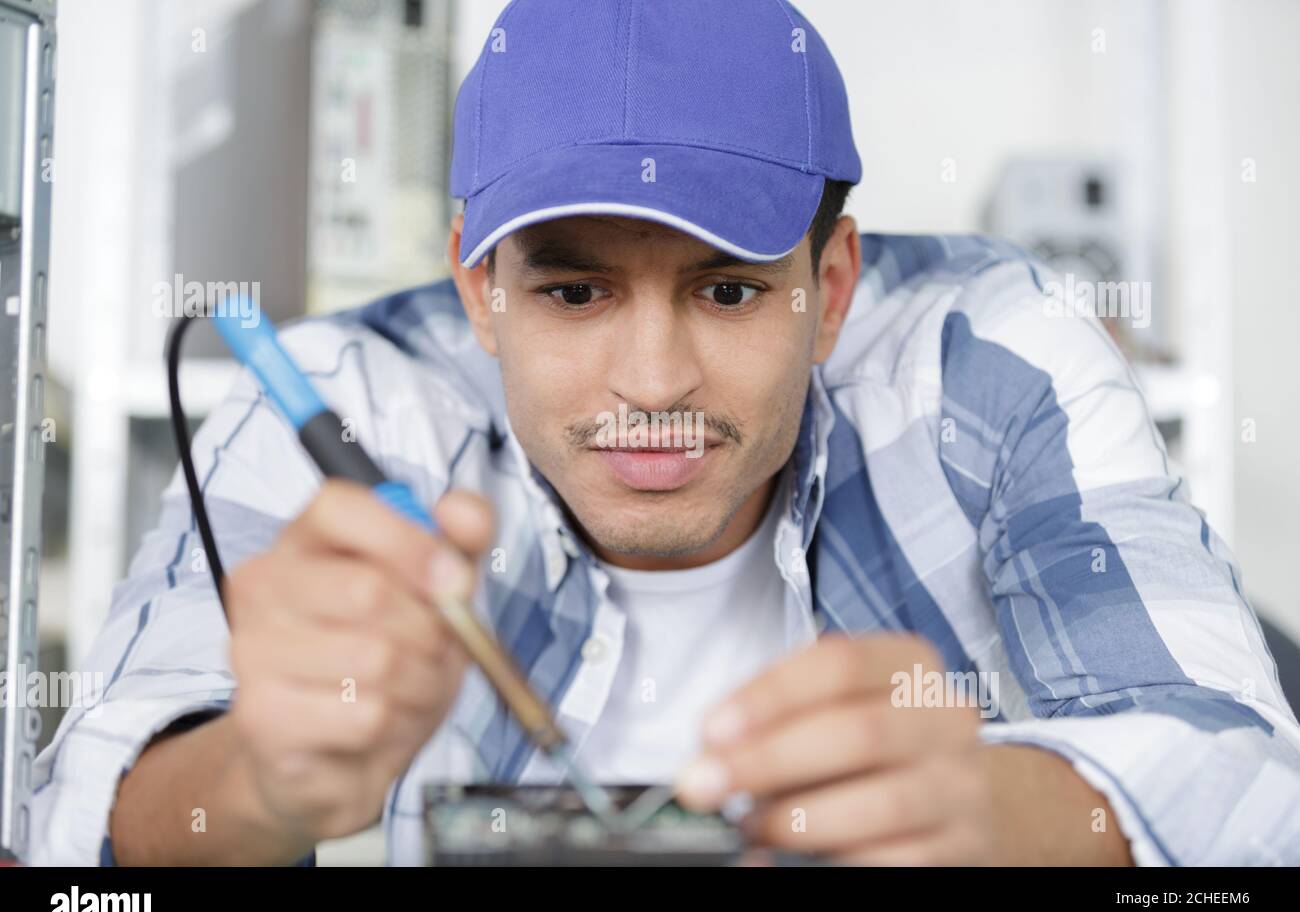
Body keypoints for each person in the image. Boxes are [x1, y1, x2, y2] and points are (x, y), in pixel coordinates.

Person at [31, 0, 1300, 866]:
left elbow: (1255, 793)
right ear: (478, 285)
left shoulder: (991, 358)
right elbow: (73, 837)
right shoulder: (341, 398)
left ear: (833, 284)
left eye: (731, 288)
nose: (651, 380)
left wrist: (1004, 807)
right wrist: (255, 775)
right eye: (574, 291)